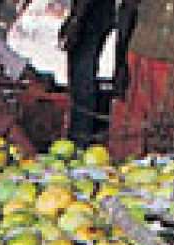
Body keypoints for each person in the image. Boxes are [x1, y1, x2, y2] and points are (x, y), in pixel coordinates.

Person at [108, 0, 174, 158]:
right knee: (130, 130)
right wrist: (120, 64)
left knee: (166, 128)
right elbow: (127, 12)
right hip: (140, 55)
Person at [58, 0, 116, 145]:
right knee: (82, 79)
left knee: (81, 81)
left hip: (91, 16)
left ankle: (80, 139)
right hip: (96, 14)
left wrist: (76, 19)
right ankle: (82, 136)